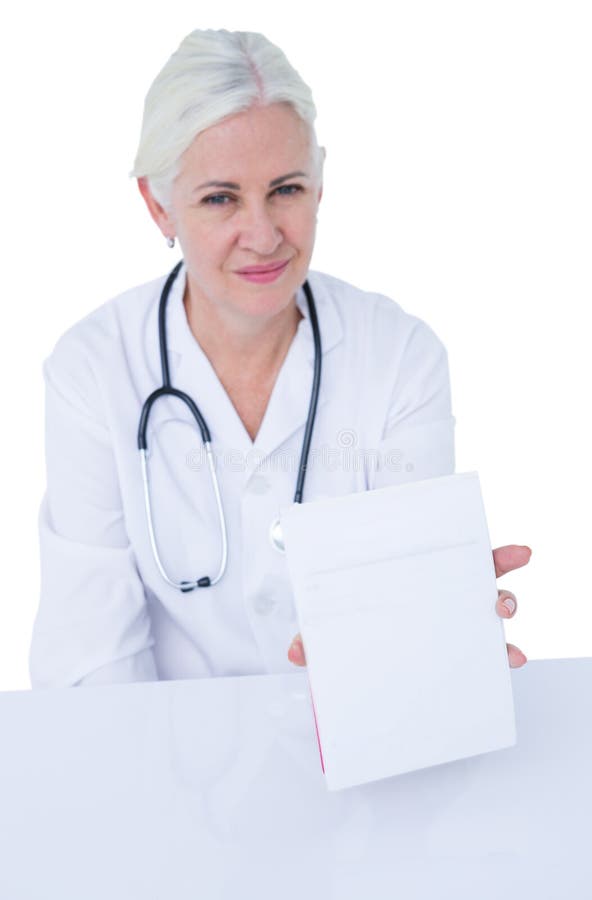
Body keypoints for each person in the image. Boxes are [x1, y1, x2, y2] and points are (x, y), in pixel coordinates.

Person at [29, 29, 530, 688]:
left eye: (286, 189)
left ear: (319, 187)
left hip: (355, 755)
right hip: (165, 763)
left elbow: (410, 634)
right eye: (220, 198)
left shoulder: (399, 356)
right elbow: (90, 666)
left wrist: (442, 634)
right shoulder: (93, 370)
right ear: (159, 206)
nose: (263, 235)